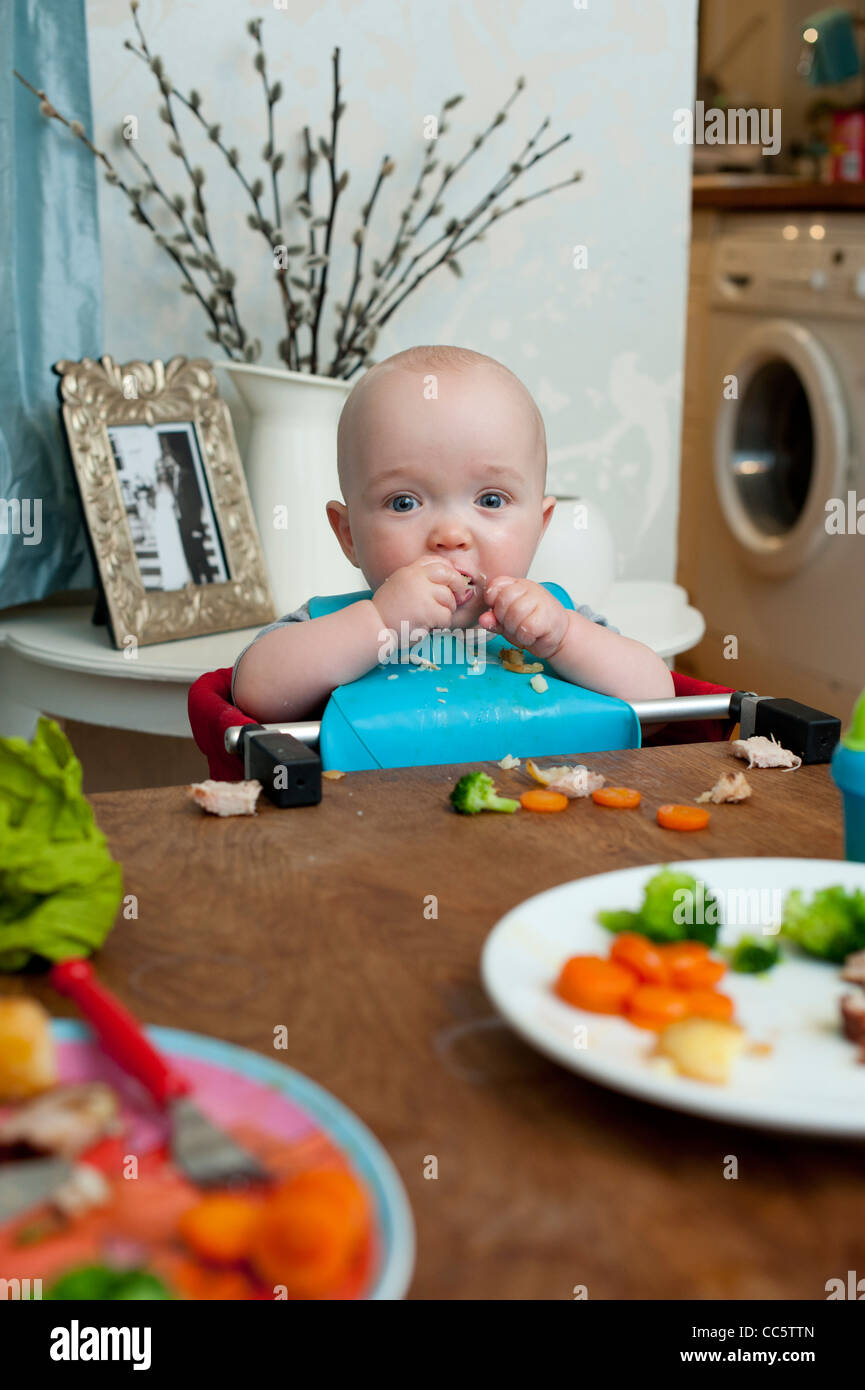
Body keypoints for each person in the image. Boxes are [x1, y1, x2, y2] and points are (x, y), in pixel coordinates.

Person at [231, 345, 674, 722]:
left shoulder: (558, 624)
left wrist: (564, 640)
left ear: (539, 528)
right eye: (403, 502)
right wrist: (379, 623)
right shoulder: (327, 629)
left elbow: (659, 705)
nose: (449, 535)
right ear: (348, 535)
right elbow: (255, 693)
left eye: (491, 500)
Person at [153, 442, 192, 590]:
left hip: (170, 519)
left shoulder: (171, 483)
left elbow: (175, 499)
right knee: (166, 550)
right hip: (162, 520)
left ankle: (180, 575)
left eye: (162, 469)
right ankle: (170, 577)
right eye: (159, 469)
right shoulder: (157, 487)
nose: (161, 471)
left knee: (175, 549)